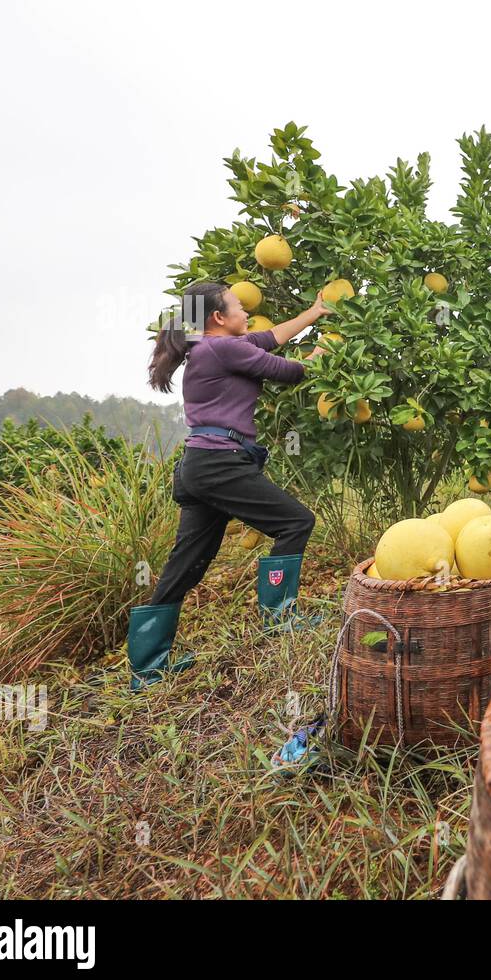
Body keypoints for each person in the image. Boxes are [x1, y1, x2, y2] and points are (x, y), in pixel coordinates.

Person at [127, 281, 331, 690]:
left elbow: (269, 338)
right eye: (239, 306)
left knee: (189, 562)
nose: (247, 312)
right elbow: (289, 371)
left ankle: (147, 667)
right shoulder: (221, 348)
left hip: (201, 466)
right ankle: (280, 619)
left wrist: (314, 312)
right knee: (295, 522)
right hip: (221, 464)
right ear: (218, 317)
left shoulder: (214, 348)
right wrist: (324, 352)